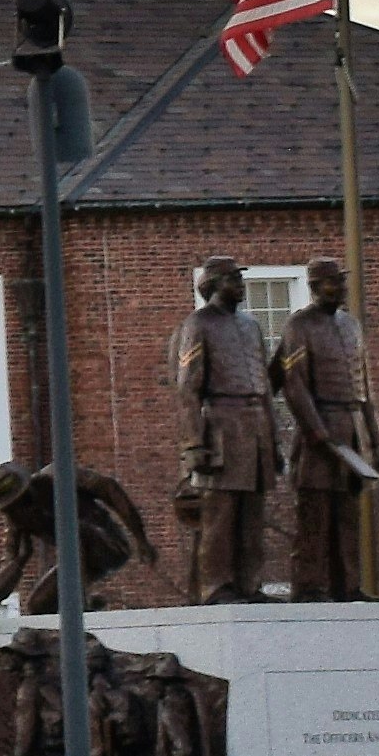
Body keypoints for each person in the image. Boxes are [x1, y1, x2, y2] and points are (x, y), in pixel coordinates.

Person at [168, 257, 281, 602]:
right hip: (221, 425)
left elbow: (263, 387)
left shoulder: (251, 327)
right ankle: (216, 586)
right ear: (214, 284)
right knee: (221, 515)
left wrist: (273, 442)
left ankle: (250, 583)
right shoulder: (198, 325)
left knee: (251, 513)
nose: (240, 284)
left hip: (256, 425)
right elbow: (188, 389)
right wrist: (193, 445)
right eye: (234, 279)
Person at [275, 257, 379, 602]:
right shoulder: (299, 326)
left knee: (347, 515)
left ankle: (348, 585)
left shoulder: (351, 326)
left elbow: (363, 387)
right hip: (318, 435)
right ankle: (309, 586)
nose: (340, 288)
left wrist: (375, 441)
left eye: (342, 281)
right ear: (315, 286)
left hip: (351, 430)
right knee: (315, 515)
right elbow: (294, 385)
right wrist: (317, 431)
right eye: (332, 282)